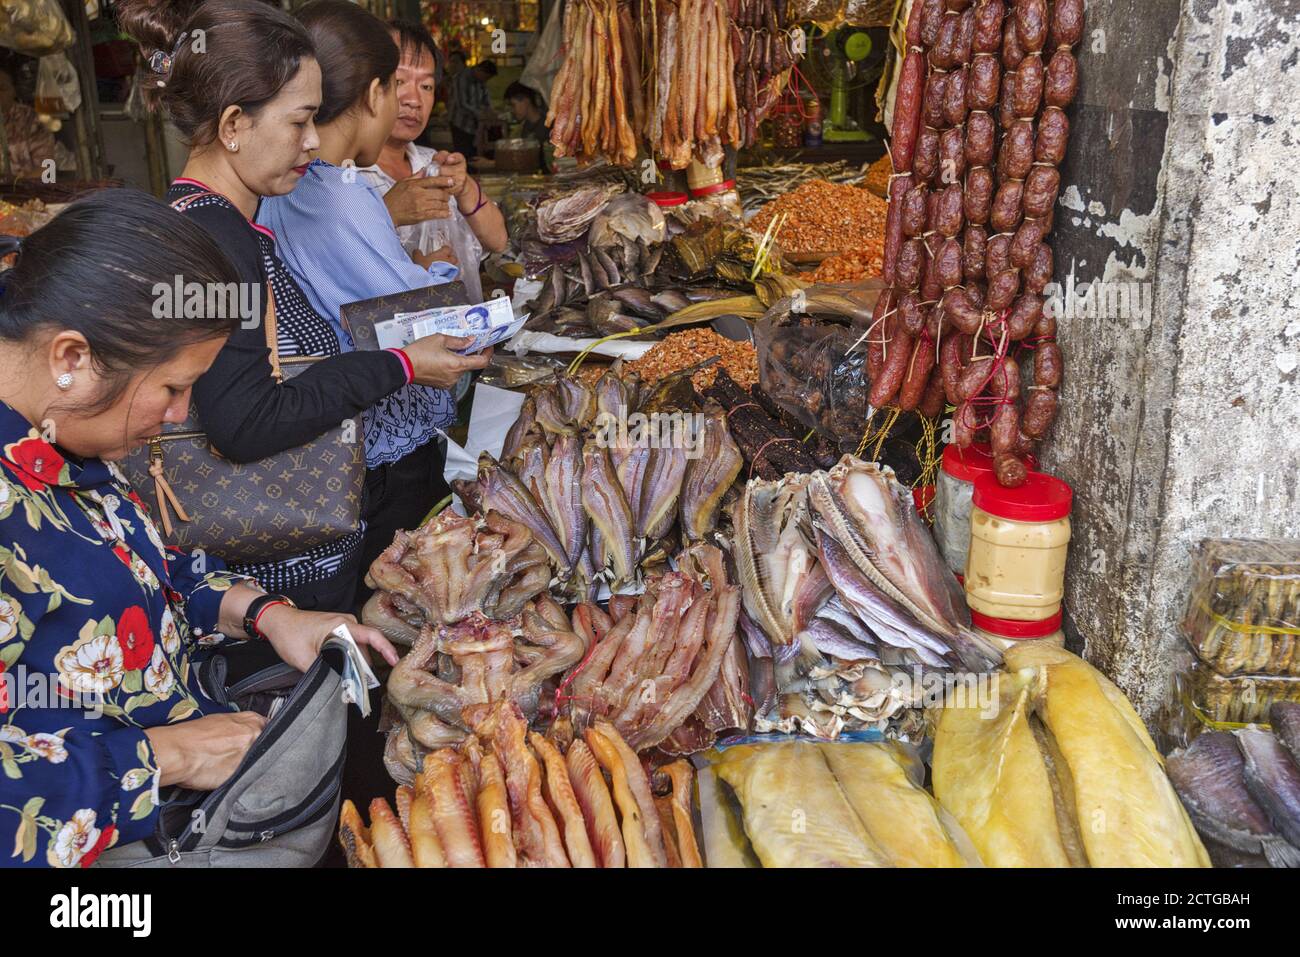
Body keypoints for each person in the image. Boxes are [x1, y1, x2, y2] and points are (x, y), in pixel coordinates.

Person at [0, 189, 398, 868]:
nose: (181, 414)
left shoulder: (63, 437)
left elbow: (145, 570)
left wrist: (269, 615)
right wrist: (167, 755)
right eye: (171, 388)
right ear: (71, 358)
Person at [118, 0, 478, 613]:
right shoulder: (219, 240)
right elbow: (247, 422)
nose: (312, 141)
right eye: (299, 121)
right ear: (234, 124)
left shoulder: (210, 220)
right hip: (276, 583)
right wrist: (402, 365)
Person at [255, 0, 490, 595]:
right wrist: (440, 278)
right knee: (408, 593)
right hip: (379, 454)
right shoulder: (341, 193)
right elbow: (414, 317)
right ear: (372, 92)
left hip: (331, 435)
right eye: (396, 87)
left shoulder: (284, 183)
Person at [361, 19, 507, 302]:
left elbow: (499, 241)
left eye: (426, 86)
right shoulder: (344, 175)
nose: (414, 100)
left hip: (459, 326)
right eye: (399, 81)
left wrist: (465, 188)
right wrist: (417, 274)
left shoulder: (432, 164)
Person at [0, 66, 76, 177]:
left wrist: (15, 186)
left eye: (2, 89)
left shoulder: (32, 120)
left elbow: (47, 170)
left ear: (14, 91)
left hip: (24, 187)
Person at [448, 52, 496, 159]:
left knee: (474, 155)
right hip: (460, 123)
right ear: (480, 70)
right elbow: (462, 104)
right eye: (485, 77)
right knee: (463, 155)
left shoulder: (481, 81)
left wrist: (489, 111)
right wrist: (480, 114)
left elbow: (486, 99)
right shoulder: (461, 78)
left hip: (474, 125)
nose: (485, 80)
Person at [504, 80, 550, 173]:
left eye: (513, 105)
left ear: (526, 101)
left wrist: (492, 163)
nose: (512, 110)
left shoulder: (546, 126)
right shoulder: (526, 126)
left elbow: (534, 161)